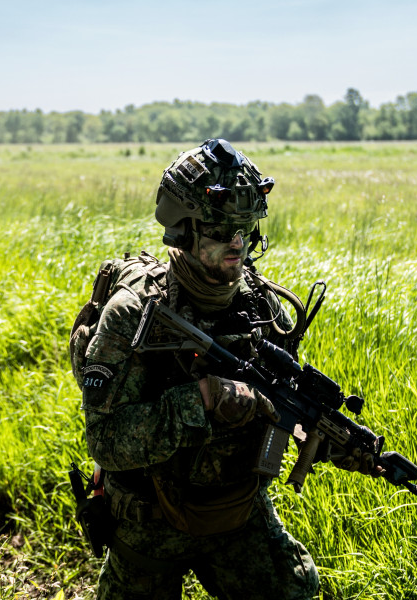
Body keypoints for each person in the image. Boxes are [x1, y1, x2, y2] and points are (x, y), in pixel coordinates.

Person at [77, 139, 375, 599]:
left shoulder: (261, 304)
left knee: (293, 589)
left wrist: (336, 444)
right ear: (184, 230)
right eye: (221, 230)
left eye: (245, 228)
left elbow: (279, 403)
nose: (237, 243)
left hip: (237, 508)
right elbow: (107, 442)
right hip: (149, 517)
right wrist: (204, 399)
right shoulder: (134, 313)